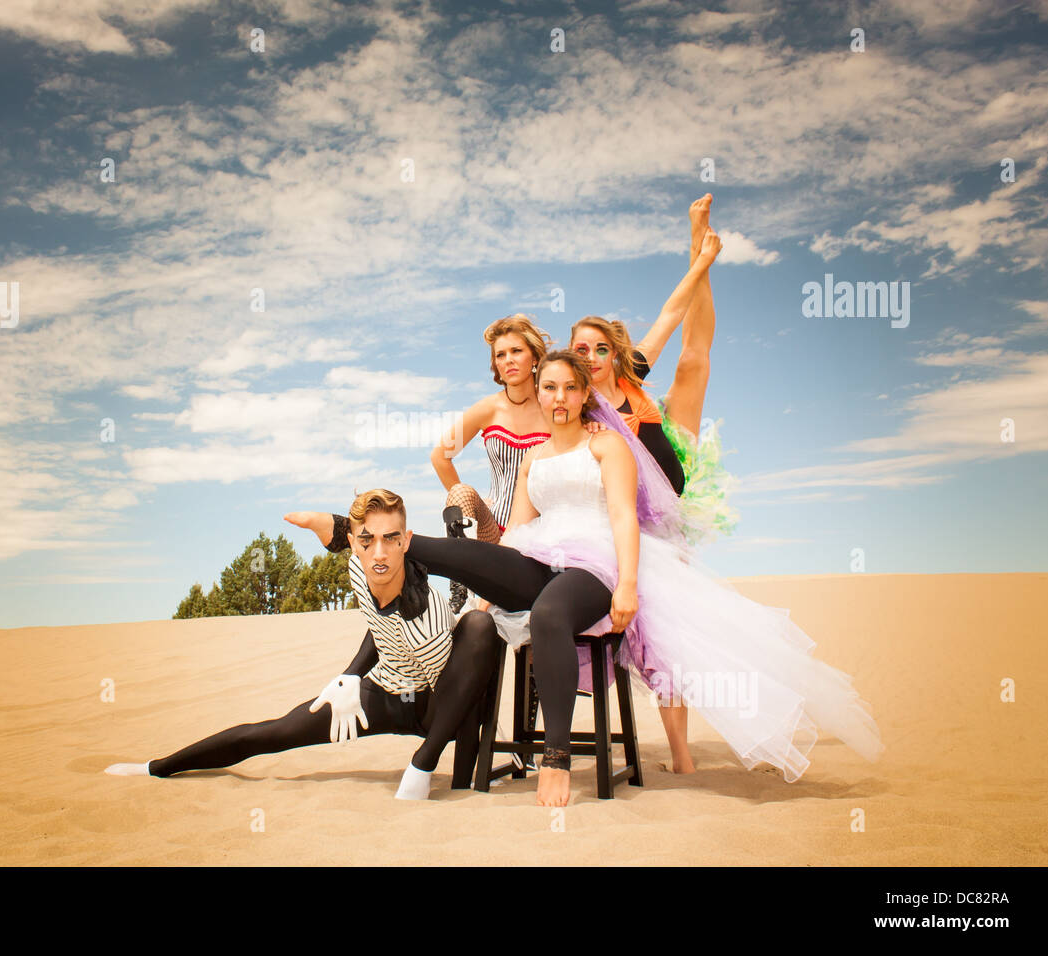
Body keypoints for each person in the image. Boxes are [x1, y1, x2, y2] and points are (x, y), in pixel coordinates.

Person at [292, 350, 883, 806]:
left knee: (551, 610)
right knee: (459, 553)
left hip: (596, 563)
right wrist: (480, 551)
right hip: (539, 553)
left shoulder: (607, 448)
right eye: (549, 387)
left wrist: (626, 585)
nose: (557, 396)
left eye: (569, 387)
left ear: (583, 395)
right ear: (541, 394)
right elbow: (516, 530)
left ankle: (554, 758)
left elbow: (625, 517)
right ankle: (354, 530)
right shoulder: (533, 457)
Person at [105, 489, 505, 801]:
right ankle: (158, 766)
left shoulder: (428, 612)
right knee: (274, 732)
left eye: (391, 539)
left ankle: (421, 763)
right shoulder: (356, 566)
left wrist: (442, 770)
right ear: (353, 541)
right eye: (366, 541)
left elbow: (464, 697)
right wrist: (350, 677)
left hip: (437, 707)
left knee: (479, 625)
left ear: (407, 541)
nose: (378, 553)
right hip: (380, 694)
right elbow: (378, 622)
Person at [570, 194, 736, 545]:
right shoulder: (575, 403)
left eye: (601, 349)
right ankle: (701, 248)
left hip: (679, 478)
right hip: (638, 512)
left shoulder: (628, 373)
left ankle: (699, 239)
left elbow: (671, 314)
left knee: (693, 361)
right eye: (581, 350)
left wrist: (702, 257)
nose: (592, 357)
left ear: (614, 353)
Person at [428, 314, 553, 611]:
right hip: (493, 529)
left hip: (540, 530)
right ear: (495, 364)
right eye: (500, 354)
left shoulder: (553, 406)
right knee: (460, 493)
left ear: (534, 356)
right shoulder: (489, 409)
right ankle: (459, 581)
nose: (508, 360)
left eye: (516, 351)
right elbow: (440, 456)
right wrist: (483, 501)